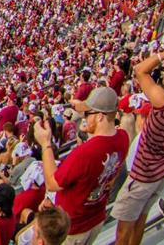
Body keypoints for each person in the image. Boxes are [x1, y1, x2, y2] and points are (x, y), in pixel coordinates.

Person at [33, 86, 129, 245]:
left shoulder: (85, 153)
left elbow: (52, 183)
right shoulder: (123, 137)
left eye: (87, 114)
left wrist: (45, 143)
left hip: (74, 227)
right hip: (97, 217)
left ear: (99, 117)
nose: (84, 118)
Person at [112, 49, 164, 245]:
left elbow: (140, 70)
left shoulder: (162, 101)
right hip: (160, 173)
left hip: (143, 175)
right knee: (141, 219)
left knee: (123, 231)